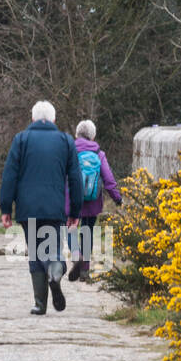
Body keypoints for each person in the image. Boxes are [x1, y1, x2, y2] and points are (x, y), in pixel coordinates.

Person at [0, 100, 83, 315]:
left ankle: (40, 304)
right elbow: (75, 178)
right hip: (54, 207)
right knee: (53, 249)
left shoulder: (22, 139)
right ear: (54, 119)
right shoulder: (65, 141)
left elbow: (10, 175)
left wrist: (5, 208)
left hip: (28, 207)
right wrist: (75, 211)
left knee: (36, 252)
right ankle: (55, 273)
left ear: (33, 118)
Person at [66, 119, 122, 282]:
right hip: (92, 200)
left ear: (76, 134)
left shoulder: (68, 151)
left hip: (71, 200)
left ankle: (77, 256)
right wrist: (117, 198)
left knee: (70, 228)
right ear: (93, 136)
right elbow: (108, 179)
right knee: (87, 232)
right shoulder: (99, 153)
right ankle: (84, 272)